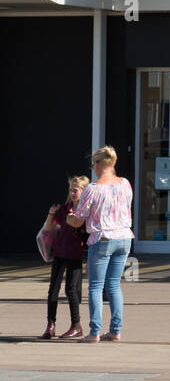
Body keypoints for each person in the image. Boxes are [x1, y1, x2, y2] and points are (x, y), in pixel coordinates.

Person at [67, 146, 133, 343]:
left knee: (95, 286)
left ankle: (94, 332)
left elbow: (79, 220)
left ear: (98, 164)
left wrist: (69, 218)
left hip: (102, 238)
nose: (93, 168)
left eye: (93, 164)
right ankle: (115, 330)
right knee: (114, 285)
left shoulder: (93, 189)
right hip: (124, 237)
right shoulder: (125, 184)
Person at [39, 174, 89, 339]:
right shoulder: (65, 208)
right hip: (60, 252)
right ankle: (50, 325)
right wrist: (51, 213)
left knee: (71, 290)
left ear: (83, 190)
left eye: (76, 190)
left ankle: (76, 326)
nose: (72, 193)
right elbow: (48, 228)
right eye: (71, 190)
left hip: (75, 253)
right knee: (53, 290)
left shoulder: (85, 210)